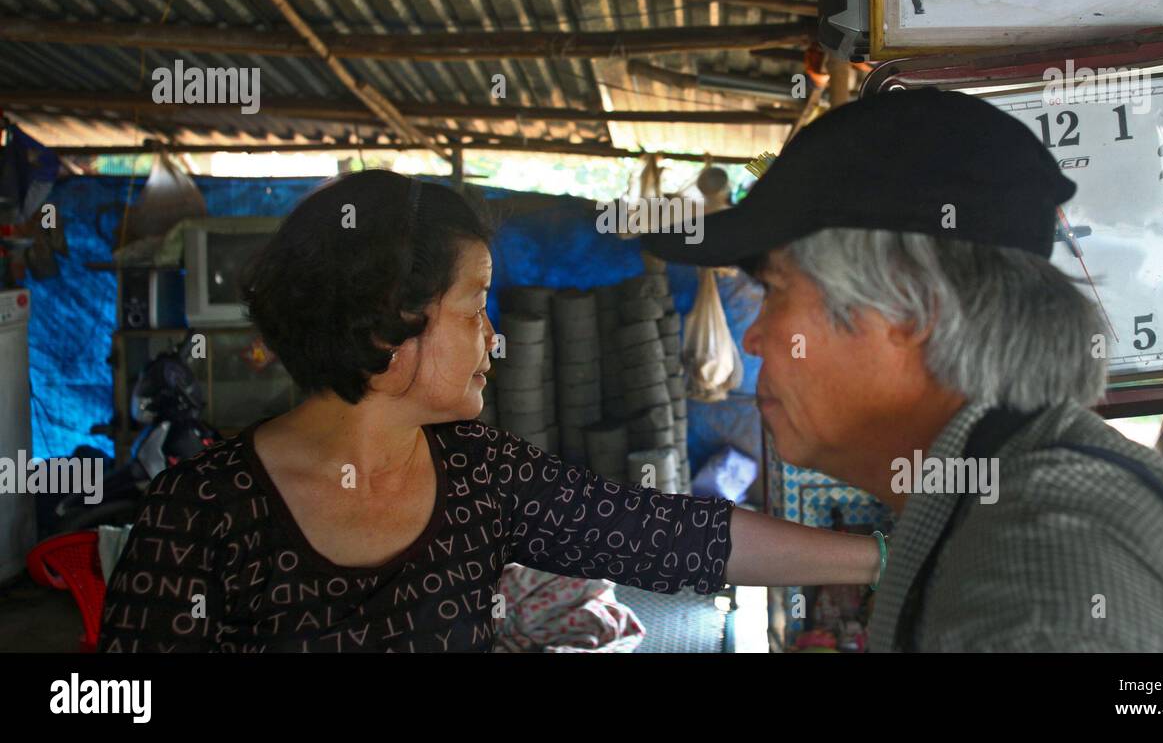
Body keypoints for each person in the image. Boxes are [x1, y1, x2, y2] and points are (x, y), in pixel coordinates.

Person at [97, 170, 881, 652]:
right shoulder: (203, 511)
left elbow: (670, 536)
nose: (493, 337)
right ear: (387, 320)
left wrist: (885, 553)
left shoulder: (478, 472)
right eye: (474, 308)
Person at [642, 88, 1163, 653]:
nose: (753, 337)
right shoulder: (1009, 498)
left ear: (908, 308)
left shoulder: (1033, 582)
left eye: (774, 290)